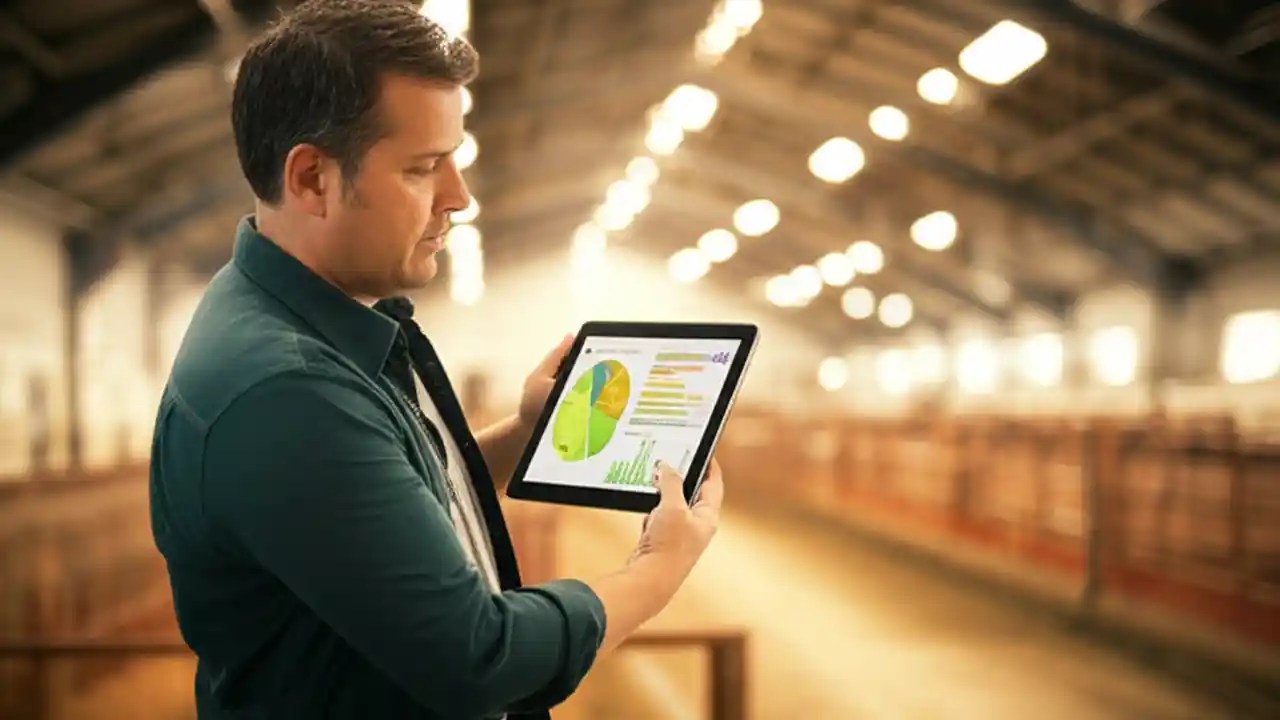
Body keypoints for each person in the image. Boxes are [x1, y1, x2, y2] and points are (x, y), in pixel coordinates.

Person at [147, 2, 724, 719]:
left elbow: (373, 513)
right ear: (312, 180)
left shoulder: (302, 322)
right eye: (424, 169)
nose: (461, 197)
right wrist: (657, 569)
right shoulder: (287, 391)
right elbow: (480, 657)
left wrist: (525, 434)